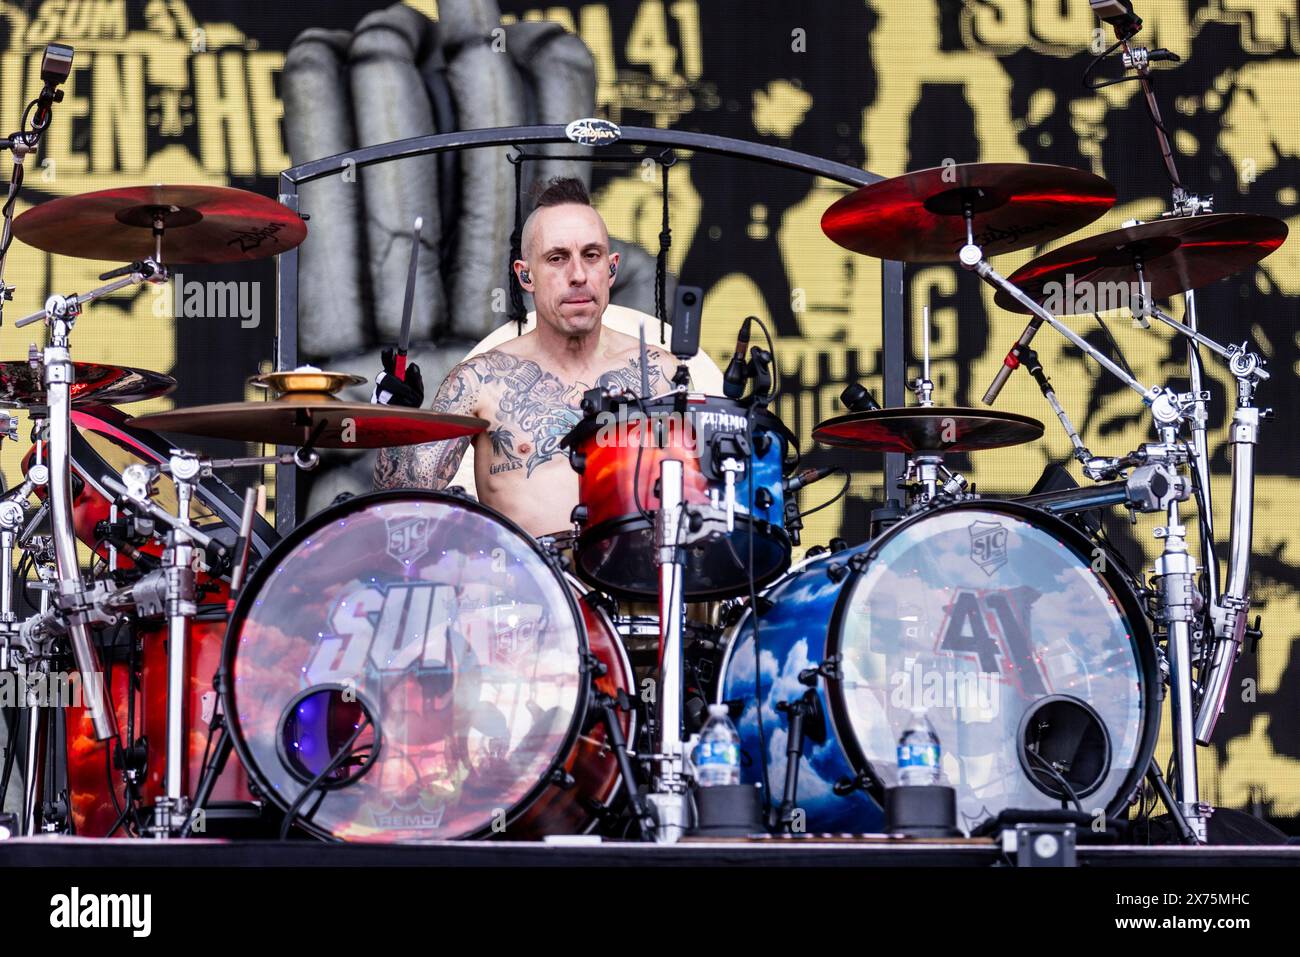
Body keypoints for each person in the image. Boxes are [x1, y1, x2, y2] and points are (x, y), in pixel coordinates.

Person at [372, 177, 678, 538]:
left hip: (635, 585)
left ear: (611, 269)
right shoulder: (479, 381)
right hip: (524, 588)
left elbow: (702, 502)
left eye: (591, 256)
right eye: (557, 258)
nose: (578, 275)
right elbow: (403, 504)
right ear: (525, 275)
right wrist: (394, 420)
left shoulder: (660, 374)